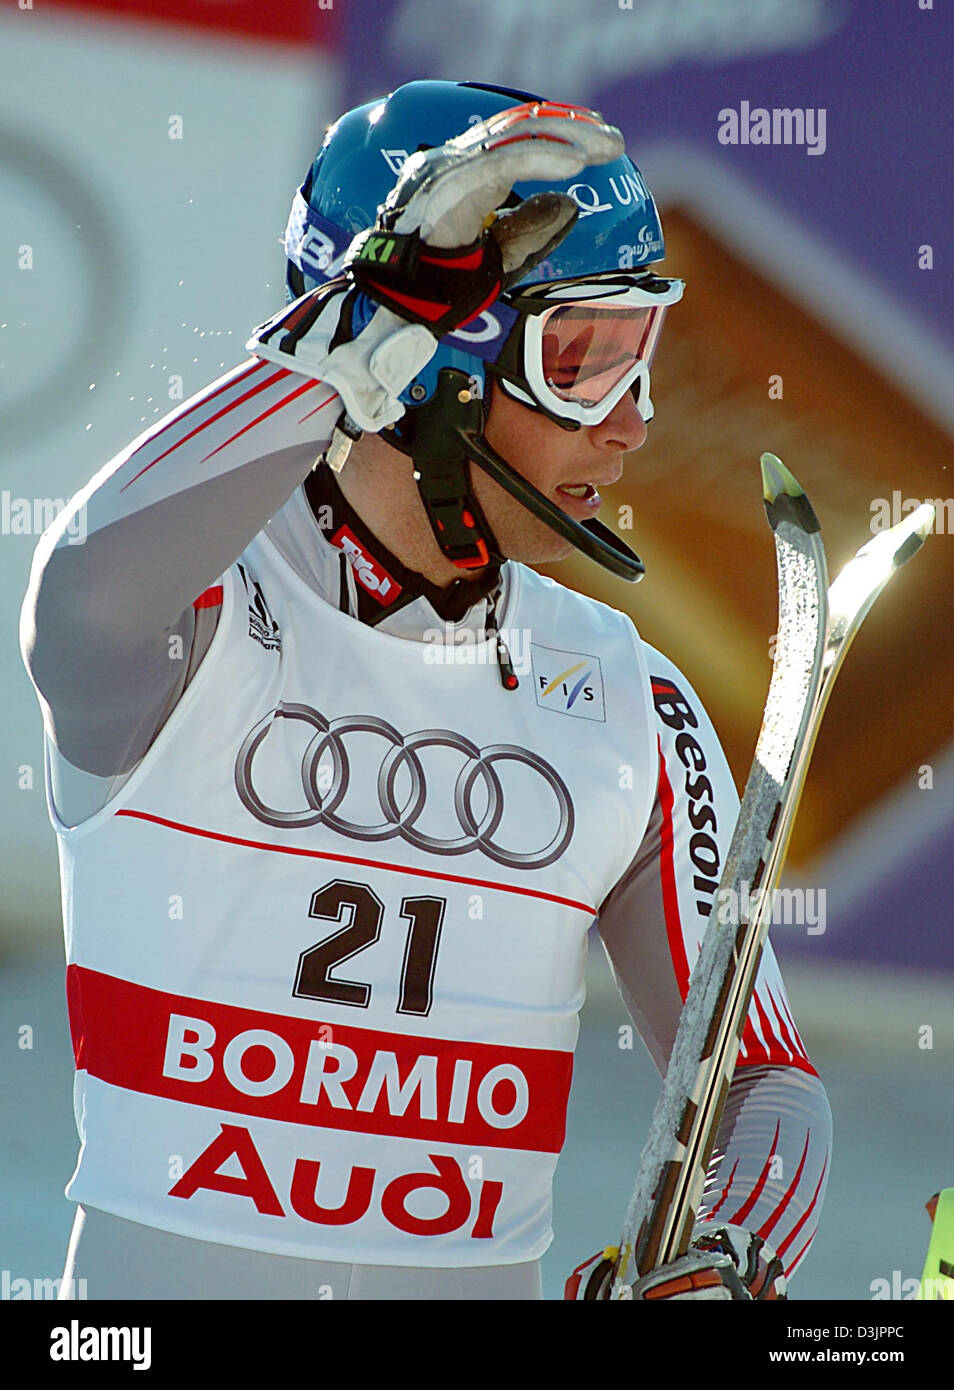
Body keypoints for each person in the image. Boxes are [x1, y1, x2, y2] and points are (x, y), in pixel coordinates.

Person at [21, 80, 831, 1302]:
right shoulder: (194, 611)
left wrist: (724, 1252)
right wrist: (360, 331)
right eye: (582, 360)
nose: (631, 426)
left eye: (638, 356)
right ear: (425, 373)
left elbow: (761, 1080)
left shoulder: (634, 699)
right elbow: (76, 604)